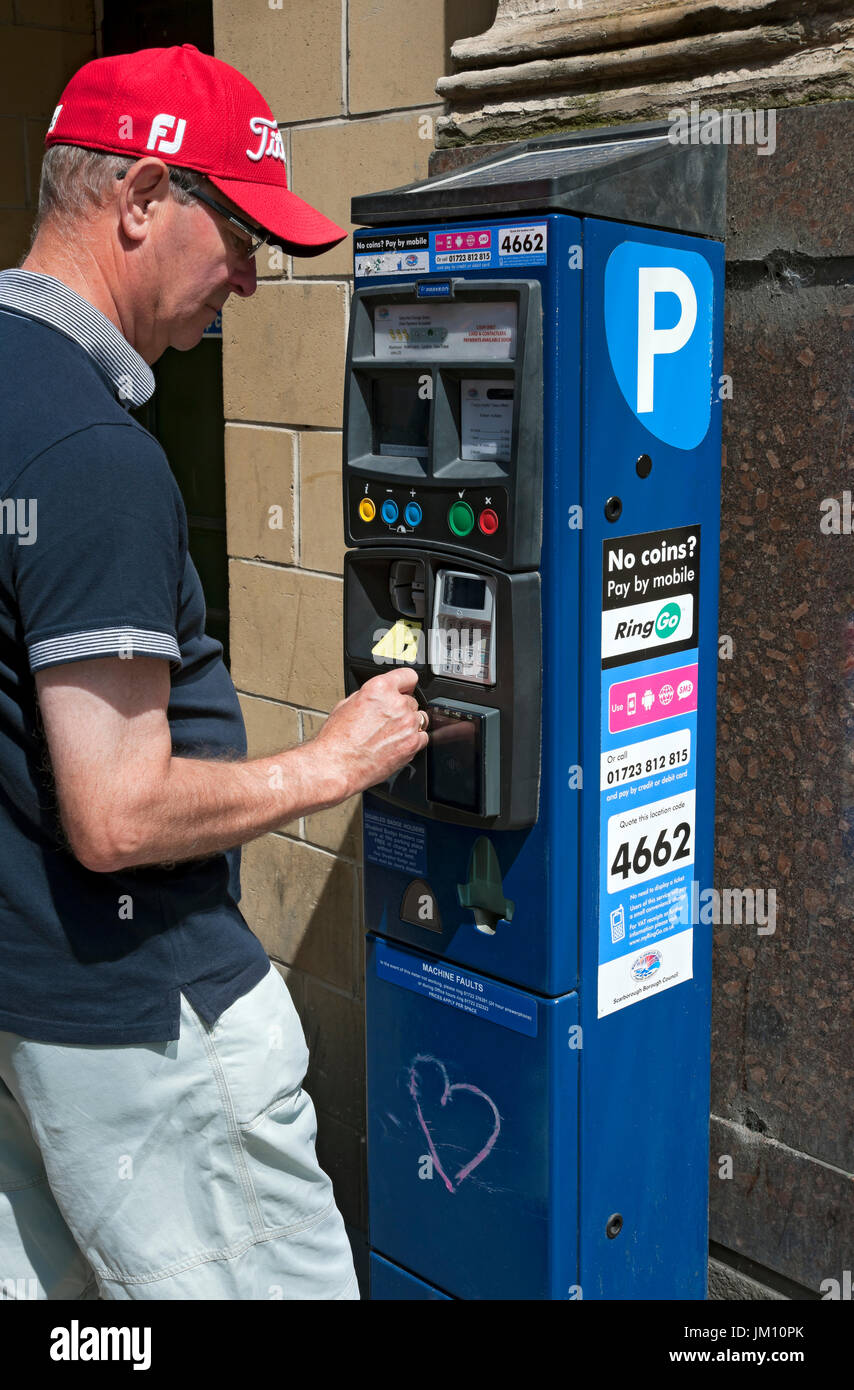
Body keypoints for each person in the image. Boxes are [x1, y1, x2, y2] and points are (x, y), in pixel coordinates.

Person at [0, 44, 428, 1301]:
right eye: (238, 232)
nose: (248, 277)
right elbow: (119, 813)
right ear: (138, 198)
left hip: (30, 1001)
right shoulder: (92, 454)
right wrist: (330, 760)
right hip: (146, 1017)